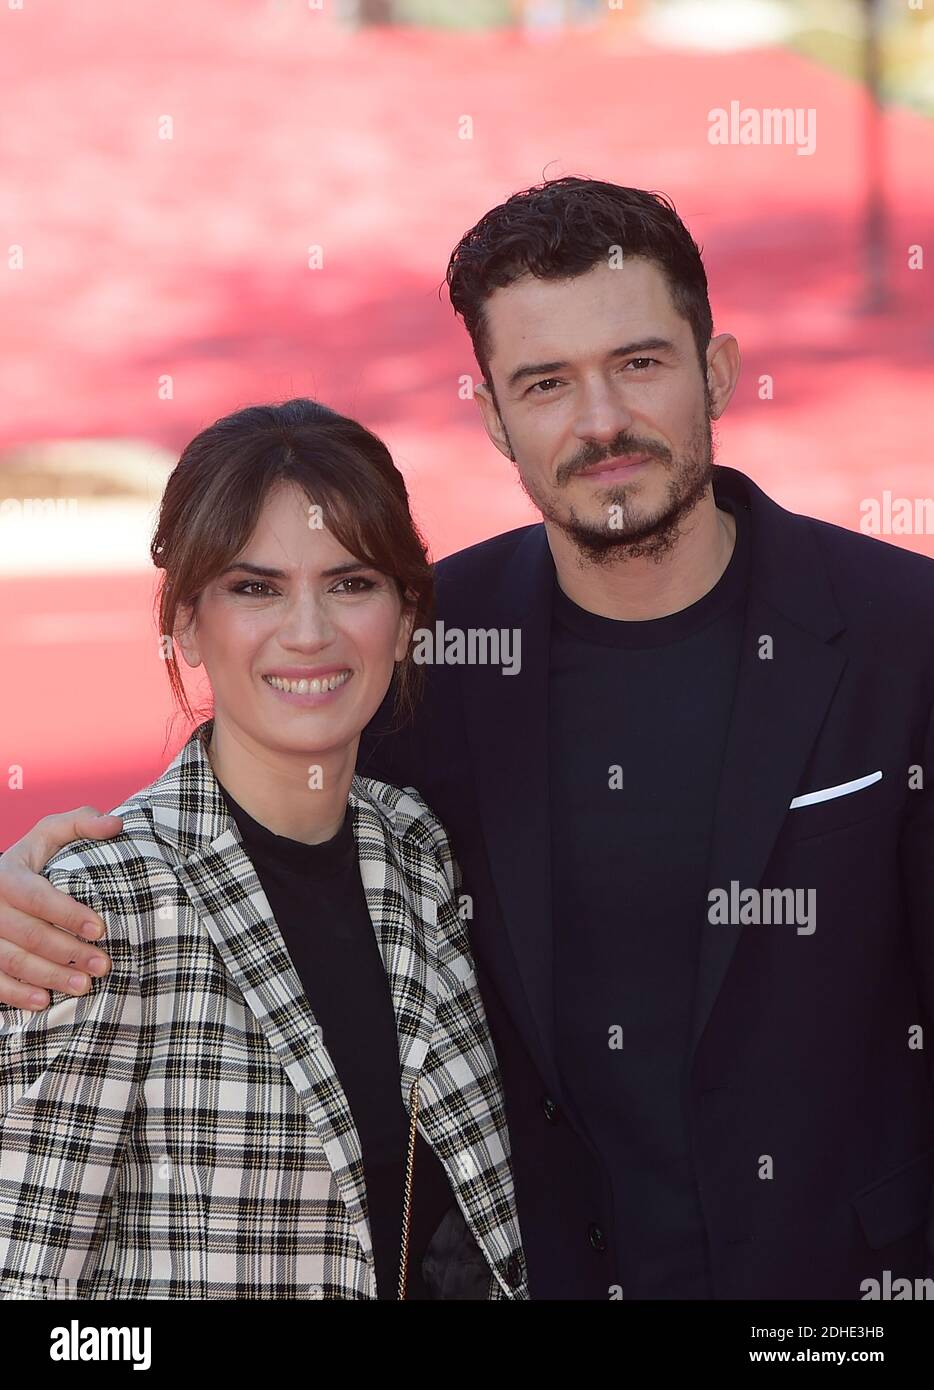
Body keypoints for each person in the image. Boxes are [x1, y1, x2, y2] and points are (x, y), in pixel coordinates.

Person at [3, 177, 934, 1300]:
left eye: (638, 362)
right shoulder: (436, 648)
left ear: (718, 371)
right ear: (494, 416)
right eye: (546, 382)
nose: (600, 421)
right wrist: (30, 895)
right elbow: (260, 794)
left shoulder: (904, 633)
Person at [0, 398, 526, 1301]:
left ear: (405, 618)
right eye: (256, 588)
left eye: (351, 583)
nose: (309, 631)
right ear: (186, 622)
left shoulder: (418, 852)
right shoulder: (100, 907)